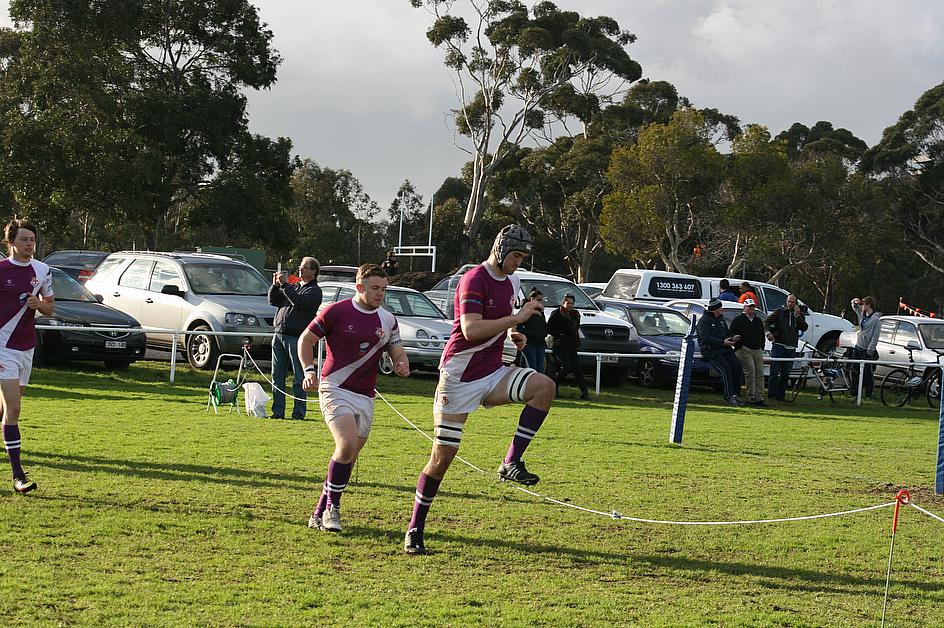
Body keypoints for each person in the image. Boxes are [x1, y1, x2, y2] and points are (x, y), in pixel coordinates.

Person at [402, 224, 556, 555]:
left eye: (523, 258)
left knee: (544, 387)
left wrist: (512, 337)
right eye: (516, 256)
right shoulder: (473, 279)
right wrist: (516, 319)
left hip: (492, 371)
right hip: (458, 377)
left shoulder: (513, 281)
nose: (518, 263)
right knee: (442, 457)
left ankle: (510, 462)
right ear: (500, 250)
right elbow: (470, 330)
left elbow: (494, 326)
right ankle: (415, 527)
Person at [297, 264, 410, 532]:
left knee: (346, 457)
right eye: (375, 288)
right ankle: (332, 510)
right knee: (345, 444)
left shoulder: (388, 320)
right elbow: (305, 340)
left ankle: (318, 511)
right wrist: (309, 370)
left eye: (383, 289)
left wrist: (402, 364)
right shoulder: (337, 311)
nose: (380, 293)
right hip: (334, 388)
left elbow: (397, 350)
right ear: (359, 287)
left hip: (366, 396)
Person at [1, 219, 54, 494]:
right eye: (23, 239)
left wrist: (39, 304)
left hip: (26, 347)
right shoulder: (1, 270)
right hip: (2, 347)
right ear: (10, 242)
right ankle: (18, 475)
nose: (29, 244)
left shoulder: (43, 270)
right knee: (15, 410)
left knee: (5, 409)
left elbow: (51, 309)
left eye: (32, 239)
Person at [268, 257, 323, 420]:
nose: (301, 270)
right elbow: (273, 301)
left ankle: (298, 413)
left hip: (297, 339)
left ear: (314, 272)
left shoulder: (314, 291)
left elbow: (297, 302)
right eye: (300, 267)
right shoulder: (295, 286)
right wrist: (275, 286)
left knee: (299, 377)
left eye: (305, 268)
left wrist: (285, 285)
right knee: (277, 377)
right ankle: (278, 411)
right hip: (279, 335)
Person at [695, 298, 744, 406]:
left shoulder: (721, 319)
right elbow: (705, 338)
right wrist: (722, 342)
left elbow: (726, 332)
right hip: (711, 351)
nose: (722, 309)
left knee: (737, 367)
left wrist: (732, 337)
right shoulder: (704, 321)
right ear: (715, 309)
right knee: (725, 369)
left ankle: (736, 394)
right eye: (720, 307)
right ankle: (729, 396)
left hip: (725, 349)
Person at [764, 293, 808, 402]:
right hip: (779, 345)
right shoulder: (780, 312)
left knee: (785, 373)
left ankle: (781, 396)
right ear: (786, 301)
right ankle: (772, 395)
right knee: (774, 372)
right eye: (789, 301)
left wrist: (798, 316)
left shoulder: (798, 314)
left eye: (792, 302)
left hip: (791, 347)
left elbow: (804, 327)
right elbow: (766, 321)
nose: (790, 304)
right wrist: (768, 333)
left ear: (795, 303)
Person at [547, 294, 590, 400]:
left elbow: (575, 329)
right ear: (563, 302)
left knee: (577, 369)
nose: (570, 305)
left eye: (572, 303)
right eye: (568, 303)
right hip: (559, 344)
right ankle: (553, 386)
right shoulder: (556, 313)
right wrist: (560, 335)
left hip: (572, 344)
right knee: (567, 367)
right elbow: (549, 328)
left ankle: (585, 392)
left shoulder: (575, 314)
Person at [729, 299, 767, 406]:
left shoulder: (758, 320)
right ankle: (751, 397)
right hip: (744, 349)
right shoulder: (738, 320)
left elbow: (761, 334)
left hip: (757, 349)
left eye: (753, 307)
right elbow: (731, 332)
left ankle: (759, 397)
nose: (751, 309)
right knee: (750, 371)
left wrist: (761, 346)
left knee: (759, 373)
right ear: (744, 308)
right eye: (749, 307)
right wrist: (737, 344)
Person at [851, 296, 881, 398]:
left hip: (867, 350)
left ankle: (869, 393)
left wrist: (871, 349)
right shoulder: (862, 314)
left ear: (869, 305)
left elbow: (875, 335)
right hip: (858, 347)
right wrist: (856, 301)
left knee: (867, 373)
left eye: (863, 304)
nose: (862, 306)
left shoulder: (876, 320)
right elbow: (854, 306)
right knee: (854, 371)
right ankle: (854, 392)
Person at [516, 289, 547, 374]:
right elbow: (519, 327)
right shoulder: (525, 311)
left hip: (540, 343)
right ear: (532, 299)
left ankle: (537, 386)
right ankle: (528, 385)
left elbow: (543, 325)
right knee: (532, 367)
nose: (540, 302)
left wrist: (544, 333)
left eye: (541, 300)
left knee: (540, 368)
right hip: (529, 343)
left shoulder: (541, 311)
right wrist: (531, 334)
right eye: (538, 299)